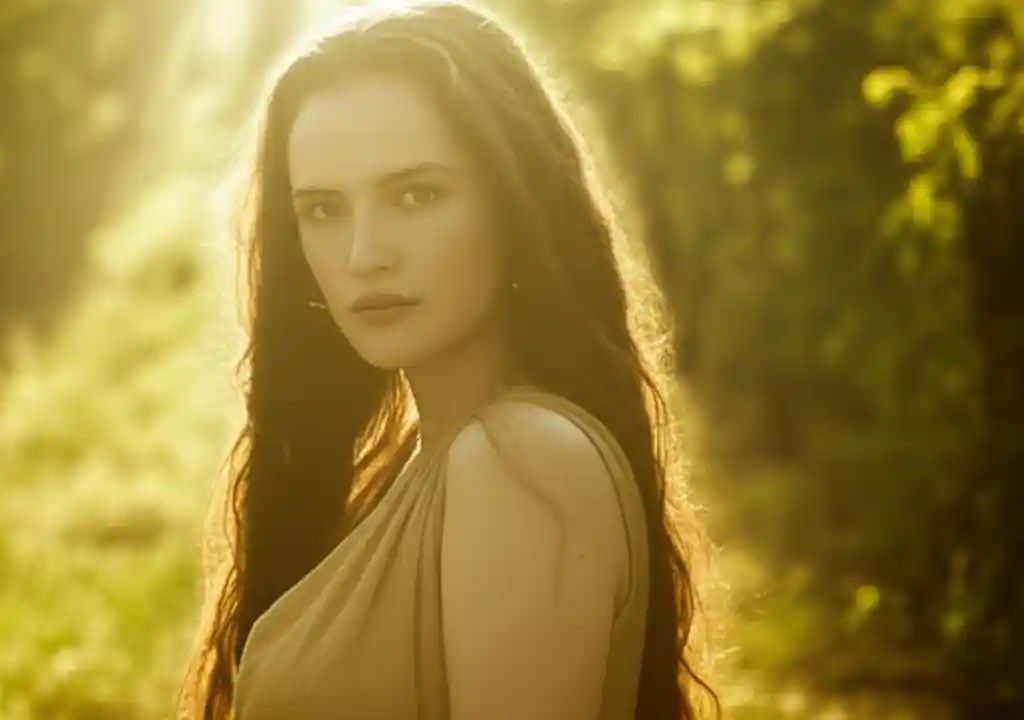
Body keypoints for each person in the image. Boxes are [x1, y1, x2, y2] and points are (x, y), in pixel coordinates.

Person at [178, 1, 716, 717]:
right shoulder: (421, 464)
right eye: (324, 209)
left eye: (416, 194)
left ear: (515, 201)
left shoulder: (518, 462)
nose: (364, 255)